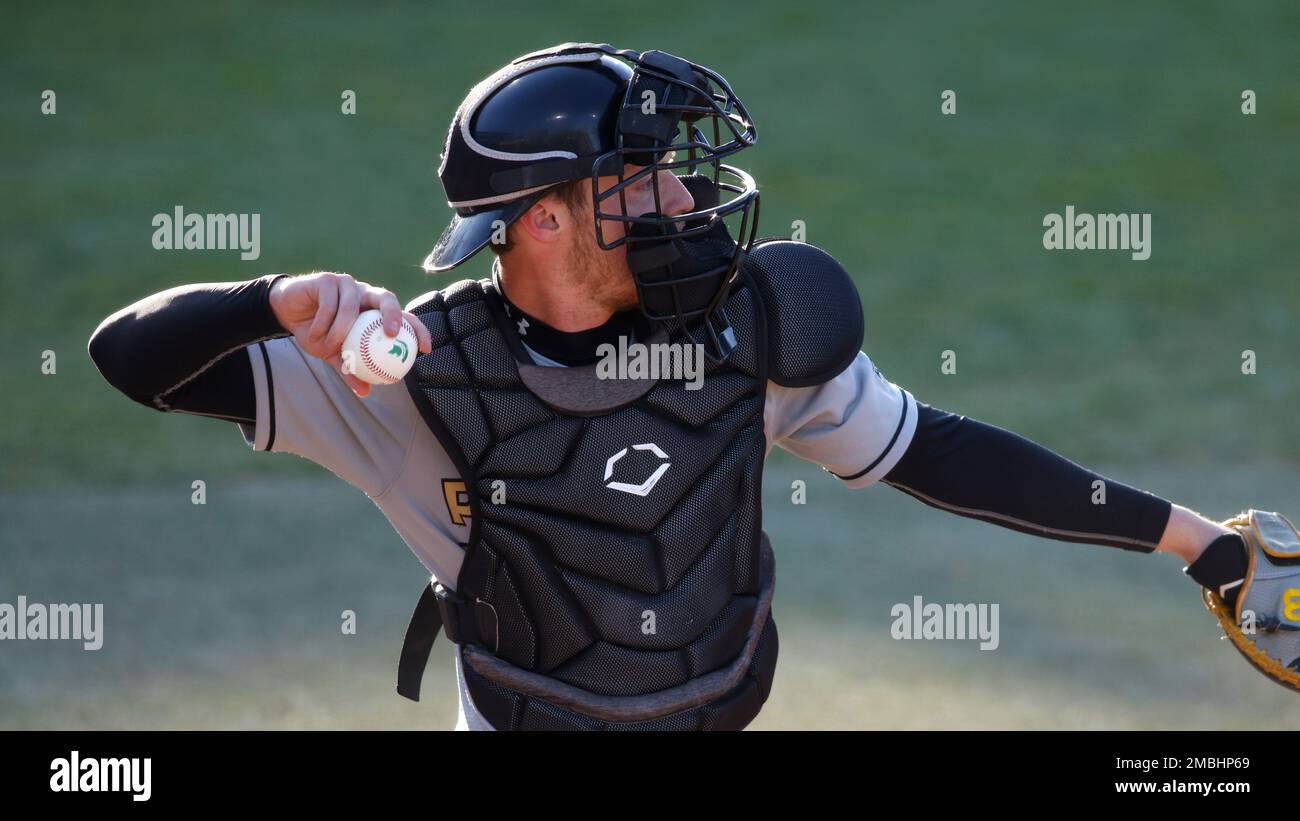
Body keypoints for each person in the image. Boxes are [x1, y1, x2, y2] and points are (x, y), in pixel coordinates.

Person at [89, 42, 1299, 731]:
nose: (684, 198)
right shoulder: (405, 374)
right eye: (646, 176)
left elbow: (942, 450)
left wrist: (1204, 546)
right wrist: (266, 302)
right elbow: (127, 361)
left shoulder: (746, 337)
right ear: (546, 221)